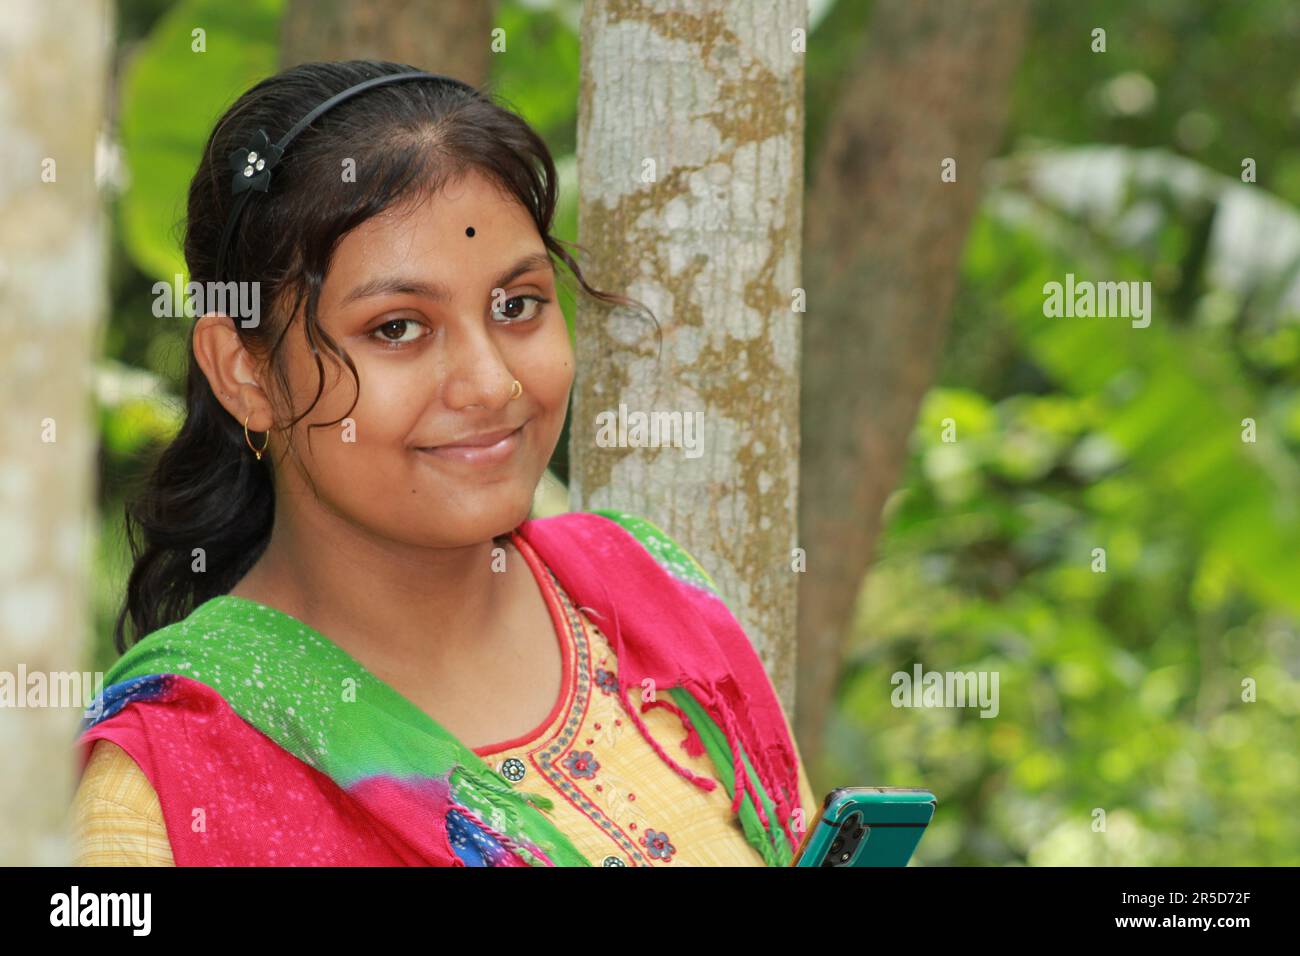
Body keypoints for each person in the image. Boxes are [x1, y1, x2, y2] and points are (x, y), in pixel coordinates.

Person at [70, 60, 816, 867]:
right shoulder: (155, 798)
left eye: (518, 305)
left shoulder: (649, 601)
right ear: (246, 374)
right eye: (397, 328)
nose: (492, 385)